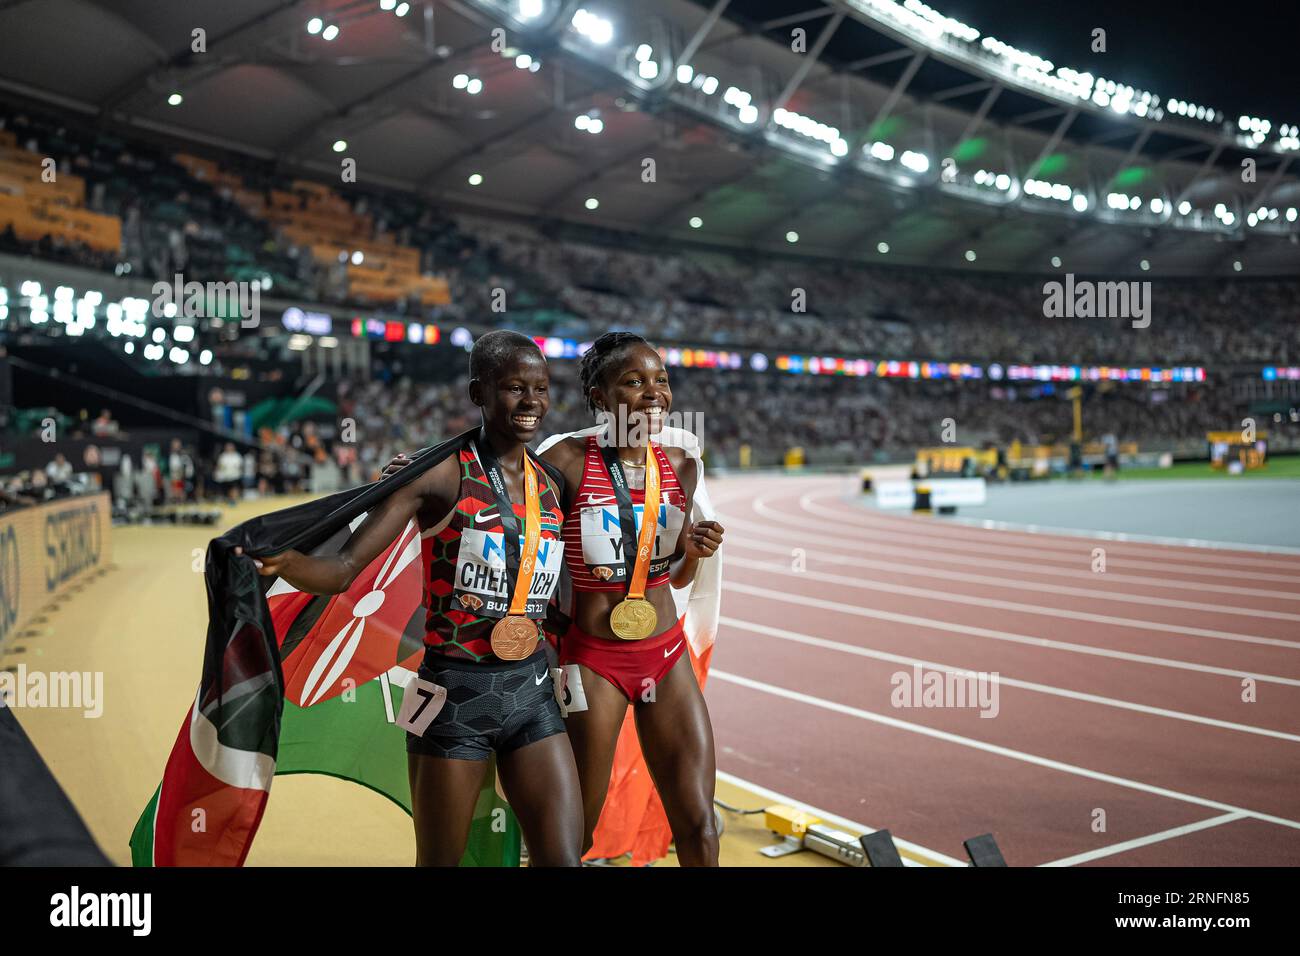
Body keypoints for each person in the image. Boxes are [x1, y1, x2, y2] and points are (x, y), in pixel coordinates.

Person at [240, 331, 582, 866]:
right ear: (479, 392)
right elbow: (346, 567)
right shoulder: (442, 473)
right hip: (452, 701)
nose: (531, 402)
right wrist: (289, 565)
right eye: (515, 388)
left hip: (532, 693)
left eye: (540, 389)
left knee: (563, 860)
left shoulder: (552, 485)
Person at [540, 332, 725, 866]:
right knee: (575, 833)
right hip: (592, 659)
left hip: (665, 656)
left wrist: (693, 551)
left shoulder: (682, 467)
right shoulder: (564, 463)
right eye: (634, 381)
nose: (654, 393)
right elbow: (512, 516)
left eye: (661, 380)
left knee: (698, 823)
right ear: (599, 395)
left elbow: (678, 579)